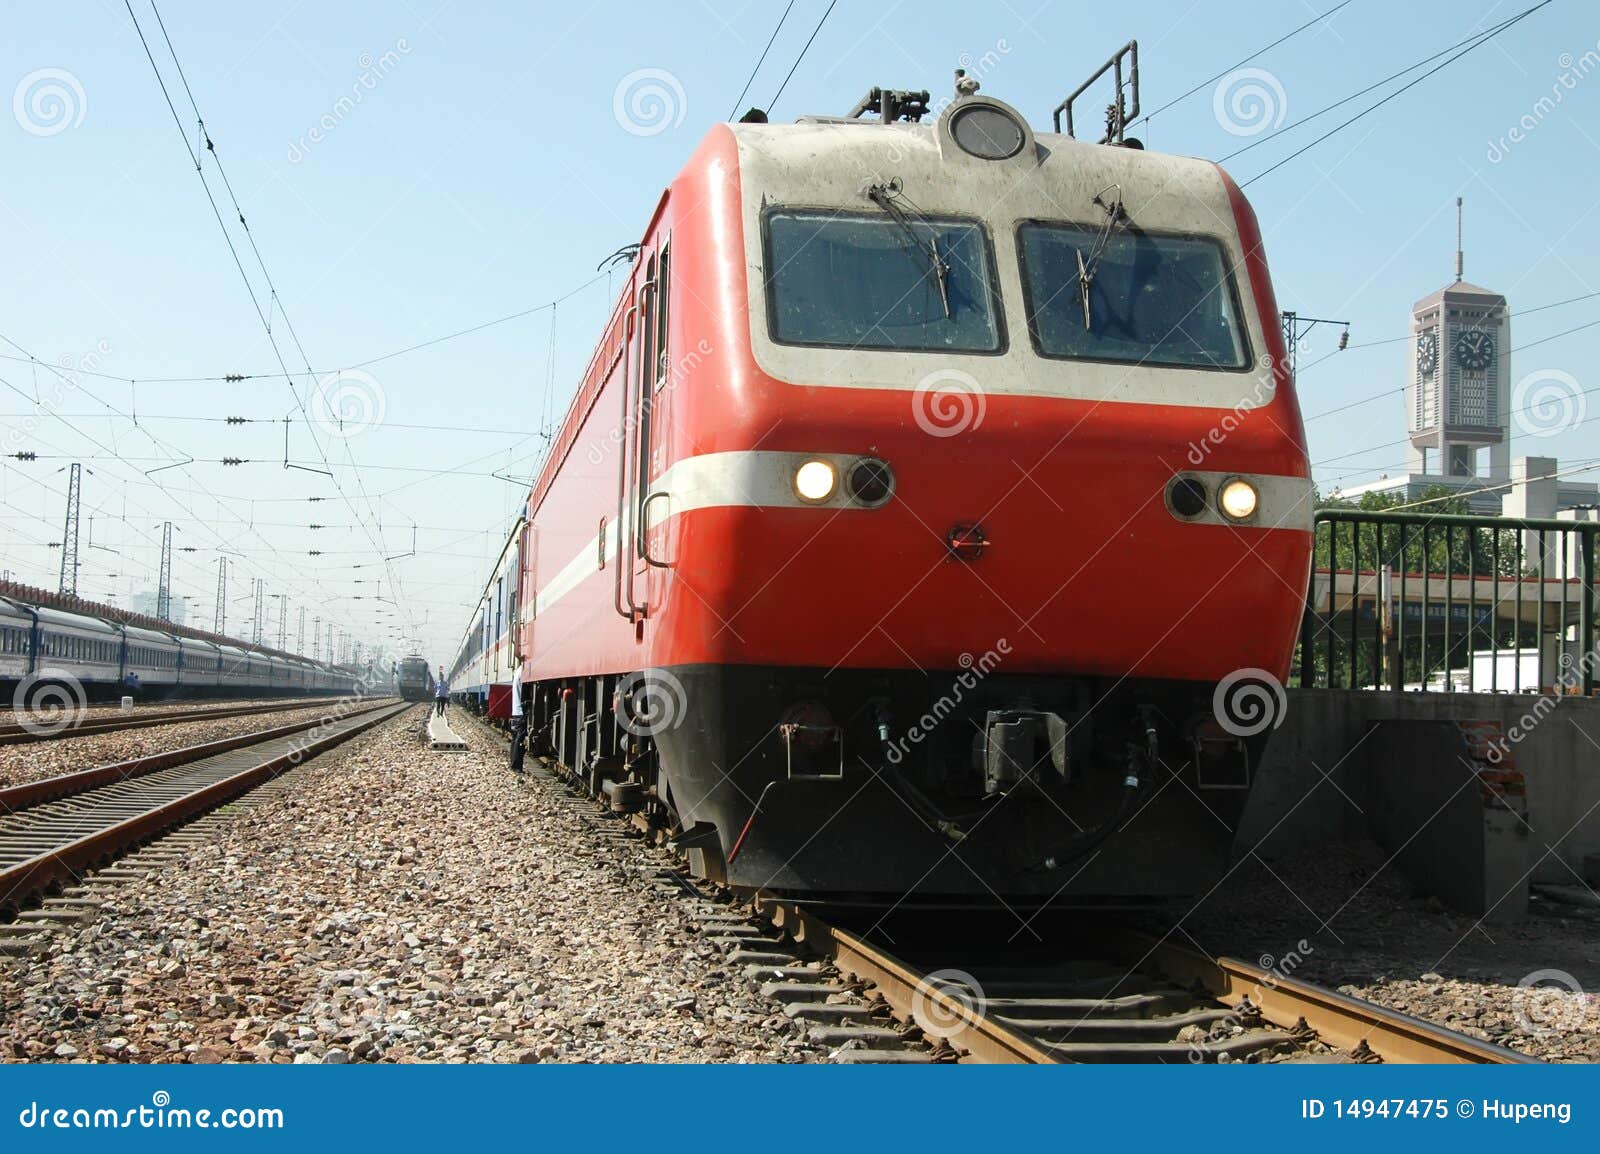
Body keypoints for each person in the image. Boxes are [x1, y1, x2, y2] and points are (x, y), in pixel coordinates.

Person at [508, 659, 527, 775]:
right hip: (520, 711)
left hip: (516, 710)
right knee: (519, 739)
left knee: (515, 738)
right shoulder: (523, 673)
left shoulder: (517, 672)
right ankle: (516, 766)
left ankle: (514, 764)